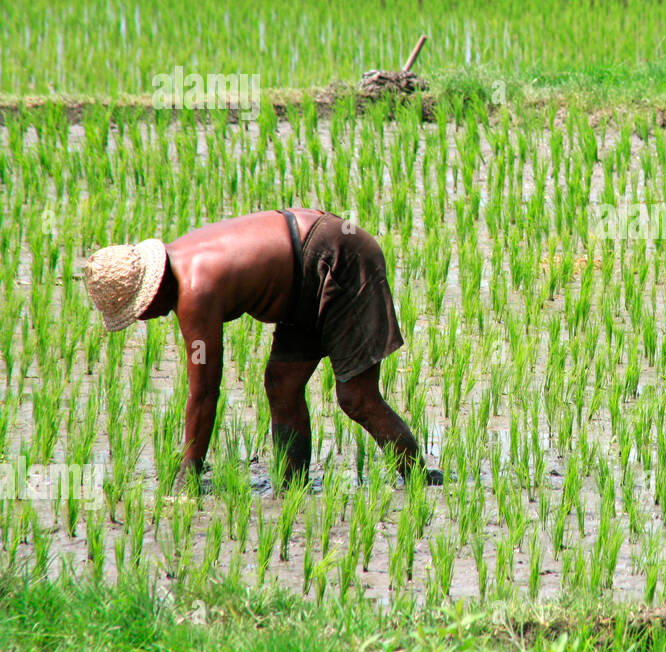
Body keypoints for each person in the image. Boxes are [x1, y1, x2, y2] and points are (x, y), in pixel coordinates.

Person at [82, 209, 442, 490]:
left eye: (138, 310)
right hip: (301, 278)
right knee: (282, 385)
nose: (144, 318)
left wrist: (188, 471)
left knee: (356, 397)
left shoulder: (195, 292)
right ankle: (292, 488)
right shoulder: (183, 262)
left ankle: (419, 480)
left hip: (337, 257)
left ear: (152, 290)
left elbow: (205, 391)